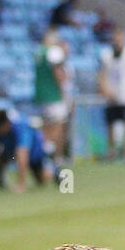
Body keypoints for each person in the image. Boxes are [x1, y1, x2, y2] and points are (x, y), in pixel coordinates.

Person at [0, 108, 55, 192]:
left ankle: (55, 172)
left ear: (6, 124)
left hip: (34, 151)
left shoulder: (21, 128)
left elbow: (22, 153)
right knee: (1, 154)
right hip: (10, 149)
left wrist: (21, 184)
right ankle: (0, 180)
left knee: (42, 180)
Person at [97, 28, 125, 160]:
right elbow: (101, 74)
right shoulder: (106, 55)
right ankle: (112, 151)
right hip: (112, 95)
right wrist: (104, 89)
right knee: (110, 124)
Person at [33, 28, 70, 162]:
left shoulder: (38, 53)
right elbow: (58, 74)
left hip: (40, 95)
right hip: (53, 96)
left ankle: (43, 157)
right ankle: (56, 157)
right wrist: (63, 89)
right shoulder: (53, 52)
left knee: (45, 129)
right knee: (57, 127)